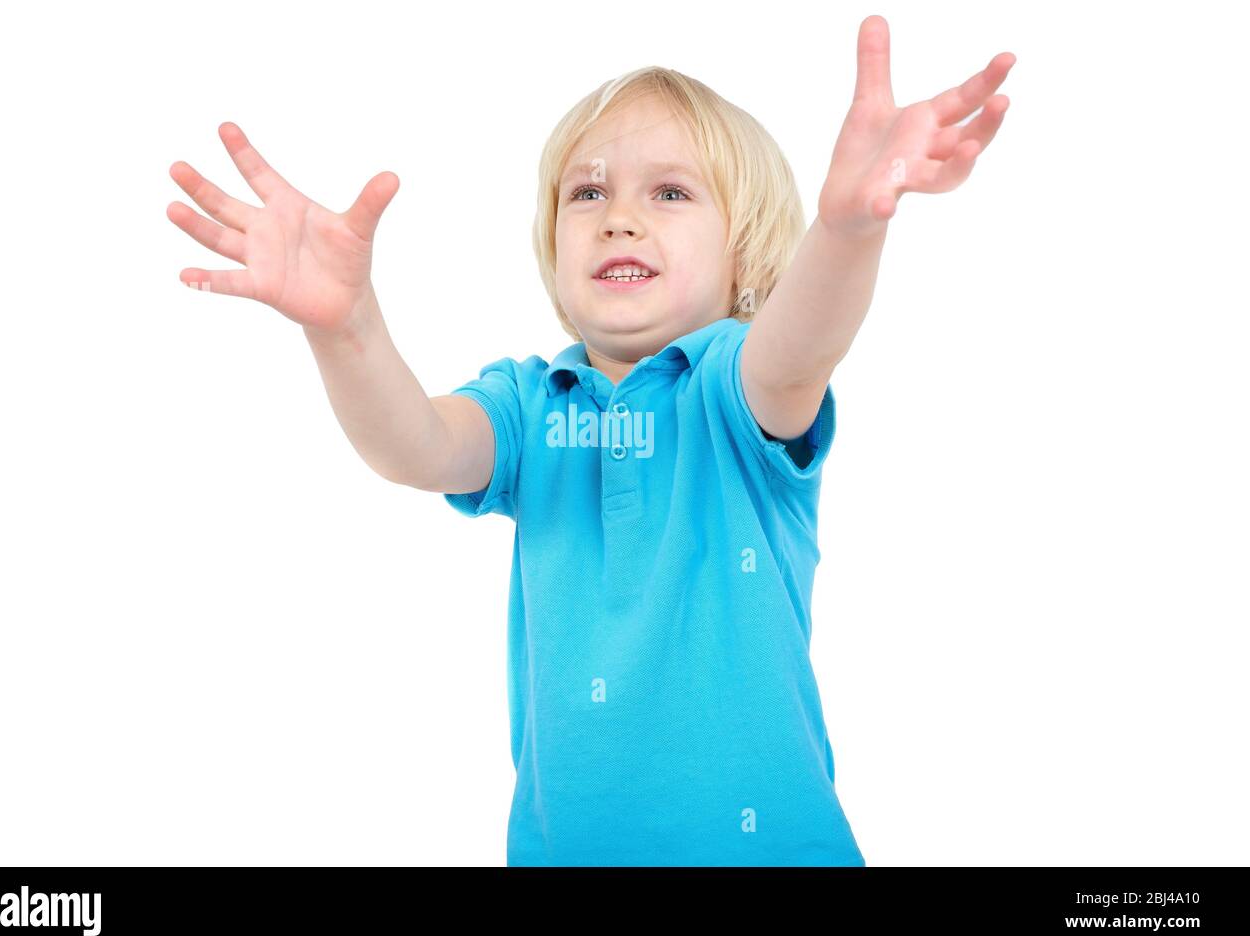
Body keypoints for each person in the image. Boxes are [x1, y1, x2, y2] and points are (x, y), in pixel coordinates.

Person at [166, 15, 1014, 865]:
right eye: (588, 193)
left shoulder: (731, 383)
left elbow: (800, 350)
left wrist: (845, 231)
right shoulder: (528, 403)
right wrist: (345, 327)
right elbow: (417, 446)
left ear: (747, 256)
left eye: (670, 193)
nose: (620, 219)